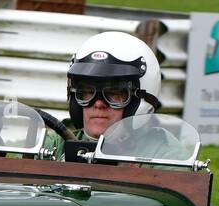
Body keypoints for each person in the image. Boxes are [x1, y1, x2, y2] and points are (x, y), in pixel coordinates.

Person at [44, 30, 179, 161]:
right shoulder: (57, 143)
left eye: (114, 94)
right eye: (88, 92)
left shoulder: (164, 155)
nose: (98, 104)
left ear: (140, 101)